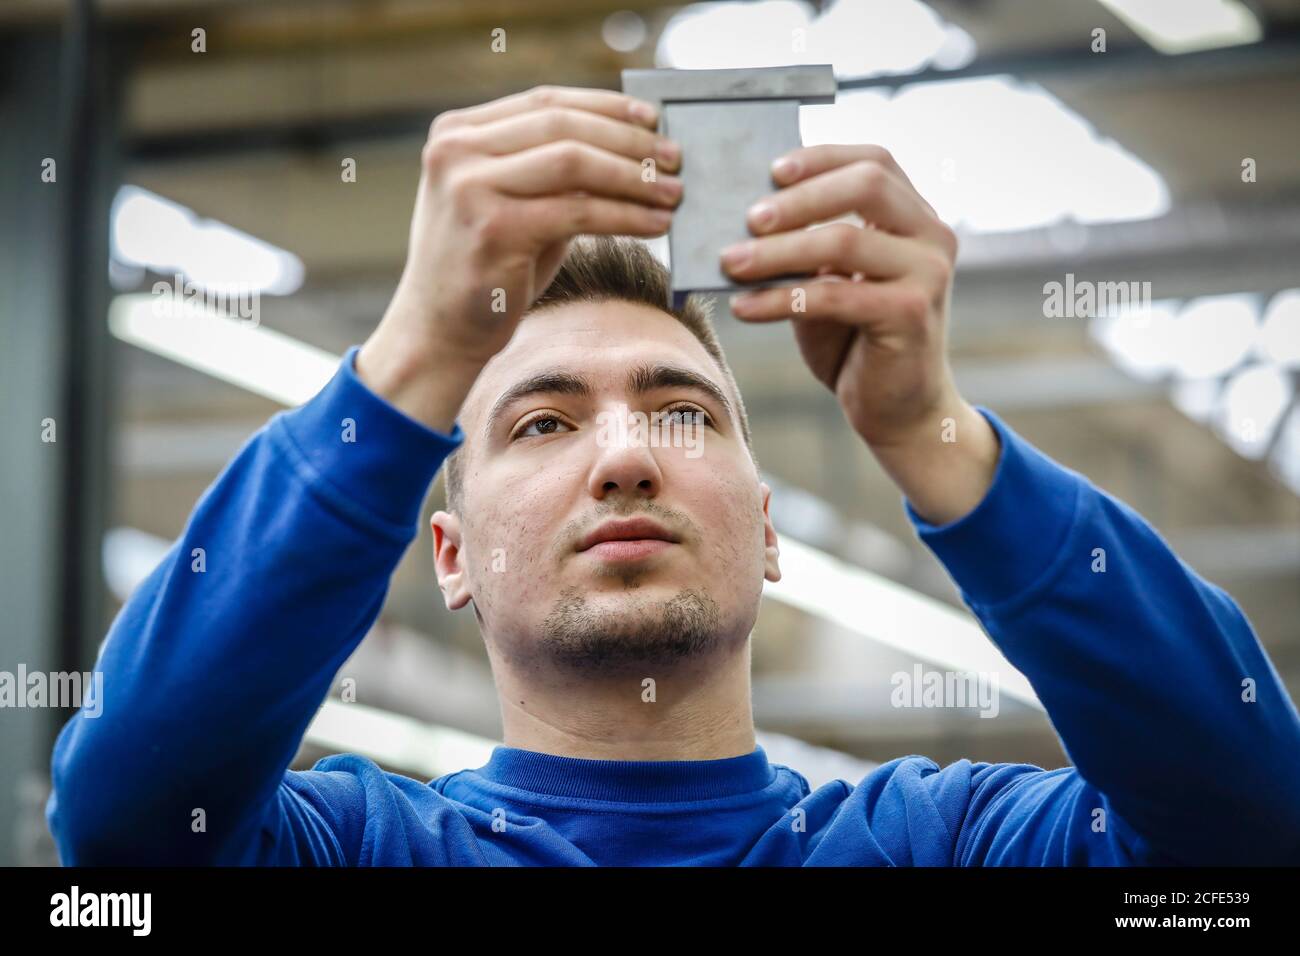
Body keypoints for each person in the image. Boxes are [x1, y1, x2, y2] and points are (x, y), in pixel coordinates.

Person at [47, 85, 1300, 866]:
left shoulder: (950, 841)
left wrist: (933, 434)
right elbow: (125, 824)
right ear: (449, 558)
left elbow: (1252, 822)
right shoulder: (356, 846)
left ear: (766, 528)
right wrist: (413, 358)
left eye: (682, 410)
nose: (629, 453)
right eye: (541, 425)